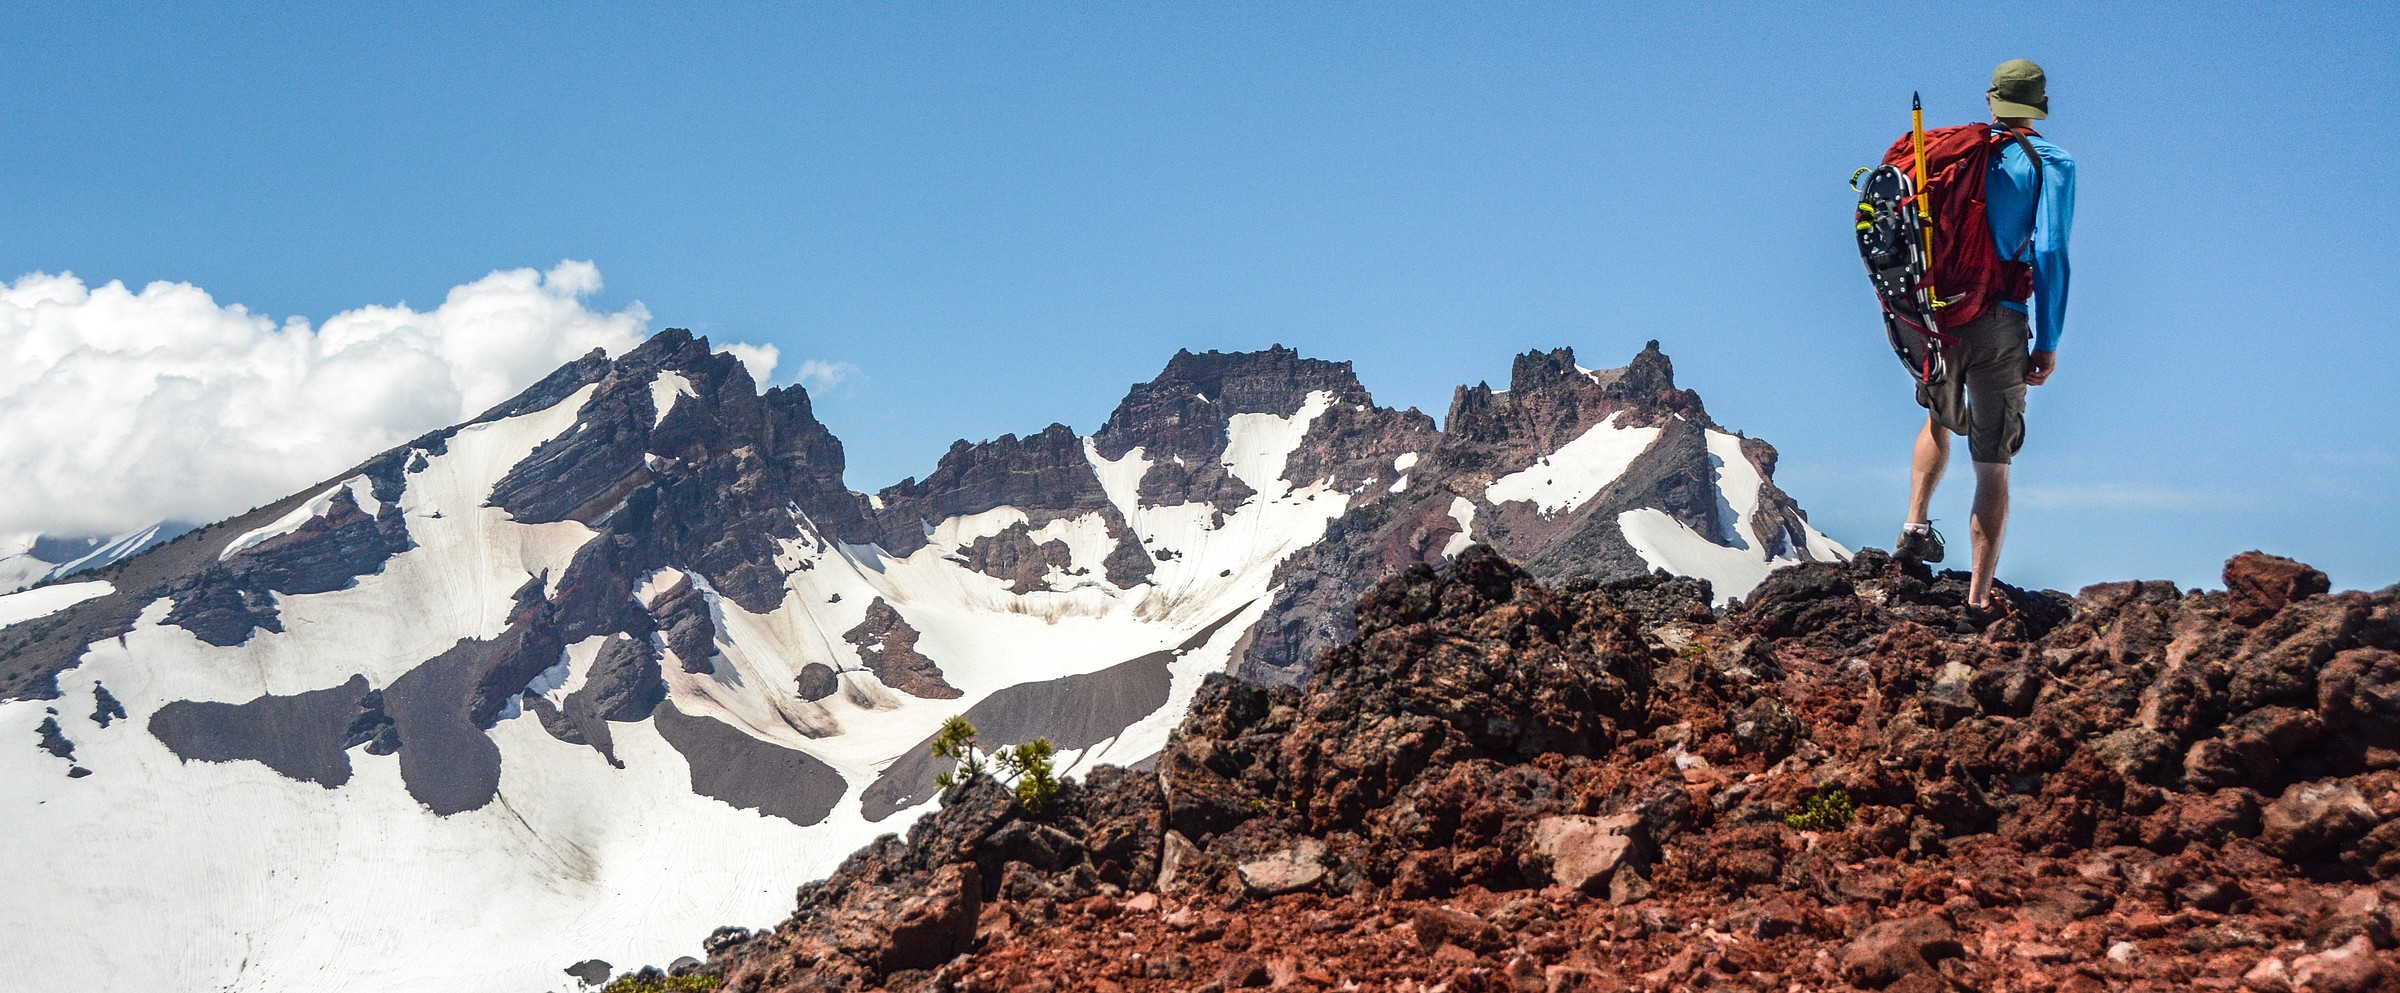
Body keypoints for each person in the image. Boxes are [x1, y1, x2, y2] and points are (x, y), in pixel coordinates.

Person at [1894, 59, 2076, 611]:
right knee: (1992, 461)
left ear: (1993, 101)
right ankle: (1976, 602)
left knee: (1937, 417)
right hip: (1999, 318)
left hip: (1934, 318)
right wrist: (2049, 338)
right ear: (2039, 104)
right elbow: (2050, 252)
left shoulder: (1946, 151)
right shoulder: (2049, 162)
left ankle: (1914, 525)